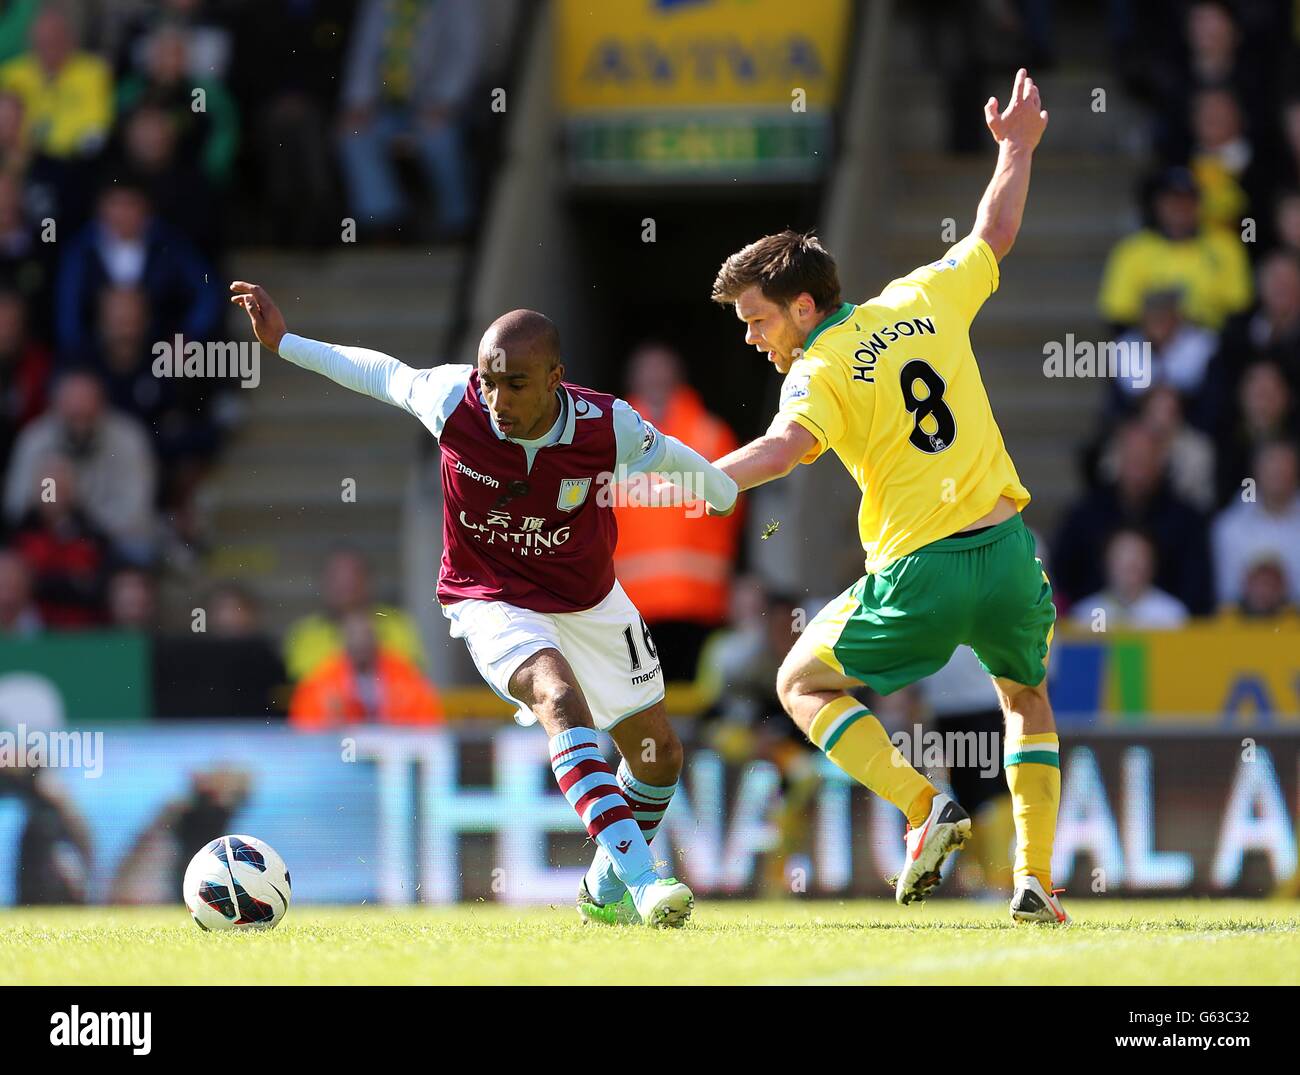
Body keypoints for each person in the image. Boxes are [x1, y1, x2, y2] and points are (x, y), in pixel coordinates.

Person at [231, 282, 740, 929]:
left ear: (555, 377)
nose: (497, 398)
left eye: (516, 383)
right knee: (556, 694)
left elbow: (672, 457)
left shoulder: (604, 424)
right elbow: (382, 373)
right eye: (490, 379)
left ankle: (604, 883)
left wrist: (725, 492)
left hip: (591, 600)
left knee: (658, 756)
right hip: (492, 597)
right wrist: (285, 342)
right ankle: (644, 882)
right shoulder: (453, 401)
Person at [706, 70, 1066, 923]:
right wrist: (1015, 147)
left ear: (802, 306)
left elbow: (788, 449)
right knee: (1027, 699)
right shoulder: (922, 296)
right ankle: (1036, 881)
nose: (754, 339)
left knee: (800, 682)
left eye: (758, 321)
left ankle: (921, 806)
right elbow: (996, 229)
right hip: (1009, 551)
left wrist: (706, 477)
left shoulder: (820, 370)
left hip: (921, 571)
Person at [613, 343, 741, 681]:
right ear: (634, 379)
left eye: (662, 370)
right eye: (648, 370)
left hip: (699, 604)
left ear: (677, 377)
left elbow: (734, 504)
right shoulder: (608, 439)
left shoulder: (712, 434)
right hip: (630, 605)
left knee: (694, 703)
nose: (655, 378)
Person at [289, 609, 444, 727]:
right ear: (343, 642)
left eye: (366, 636)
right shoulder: (322, 681)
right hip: (342, 756)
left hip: (394, 756)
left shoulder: (403, 676)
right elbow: (305, 729)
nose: (361, 644)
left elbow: (428, 721)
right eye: (354, 638)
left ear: (377, 639)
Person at [1071, 528, 1190, 629]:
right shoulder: (1085, 613)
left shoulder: (1172, 613)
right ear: (1106, 561)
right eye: (1122, 555)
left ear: (1152, 563)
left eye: (1139, 555)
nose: (1131, 563)